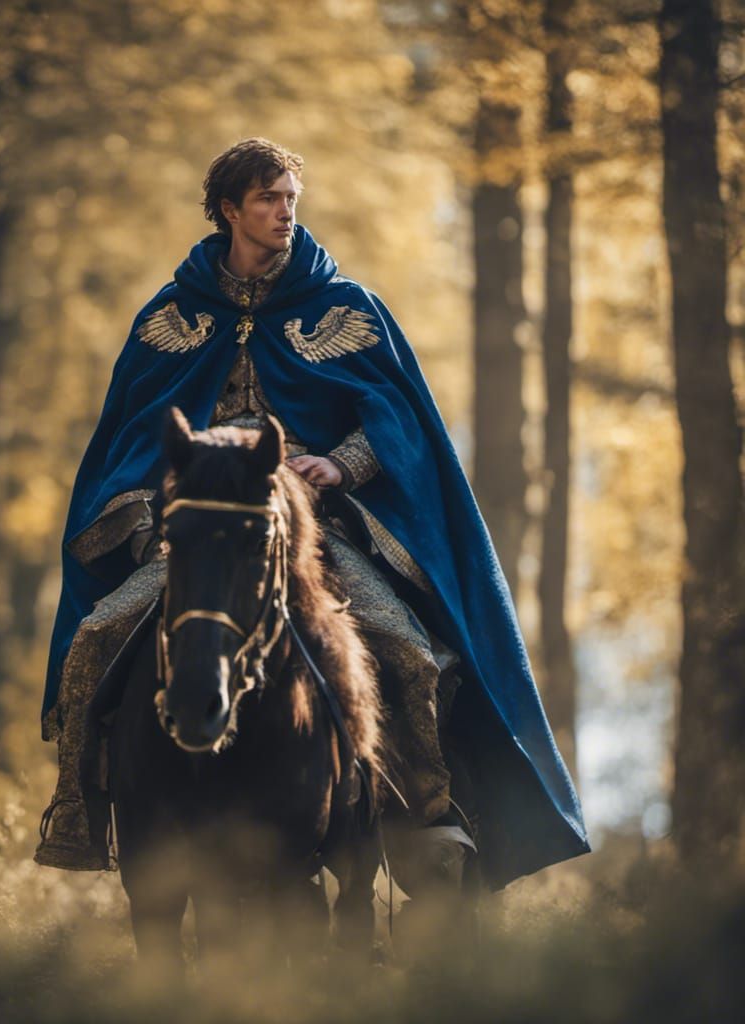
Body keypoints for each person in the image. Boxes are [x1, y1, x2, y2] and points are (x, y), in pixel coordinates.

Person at [35, 138, 589, 891]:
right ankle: (78, 811)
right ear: (230, 209)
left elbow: (400, 422)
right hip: (207, 528)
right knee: (97, 638)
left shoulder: (346, 309)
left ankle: (428, 817)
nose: (285, 211)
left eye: (292, 197)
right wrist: (153, 517)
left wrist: (340, 464)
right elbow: (130, 440)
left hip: (318, 531)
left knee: (407, 646)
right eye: (268, 198)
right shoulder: (171, 317)